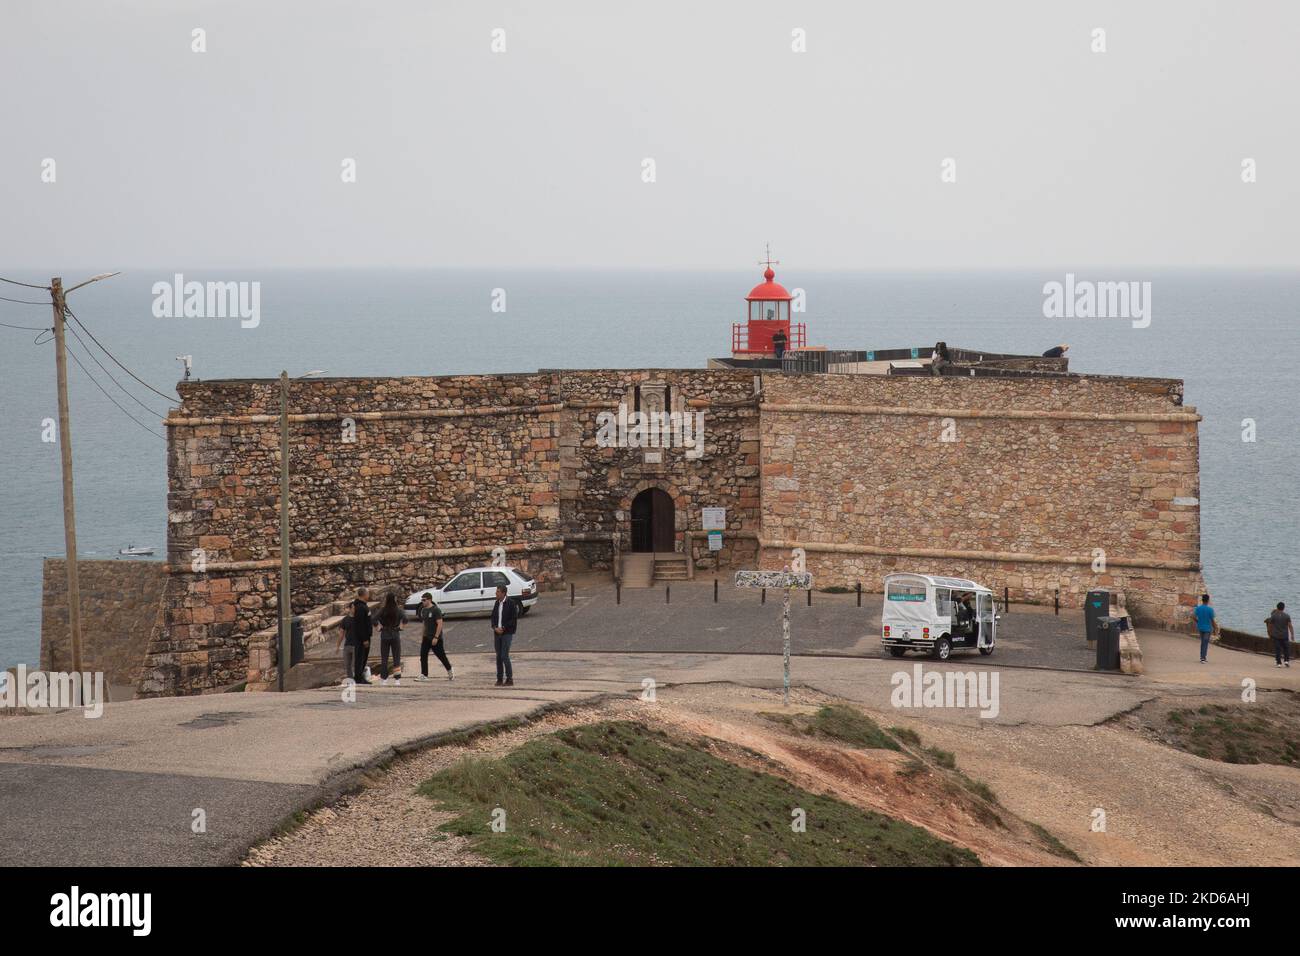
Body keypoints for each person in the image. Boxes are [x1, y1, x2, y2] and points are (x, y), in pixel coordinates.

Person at [416, 592, 453, 681]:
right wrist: (422, 636)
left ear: (429, 600)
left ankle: (449, 670)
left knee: (441, 656)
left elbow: (440, 624)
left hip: (435, 638)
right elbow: (424, 624)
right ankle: (424, 675)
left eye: (424, 600)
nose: (423, 602)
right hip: (426, 637)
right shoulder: (424, 610)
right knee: (423, 656)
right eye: (422, 600)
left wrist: (436, 637)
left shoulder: (436, 610)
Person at [490, 584, 518, 687]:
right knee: (498, 657)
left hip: (507, 633)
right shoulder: (497, 603)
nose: (496, 593)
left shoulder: (511, 603)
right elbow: (493, 617)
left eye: (497, 592)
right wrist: (494, 627)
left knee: (504, 655)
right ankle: (499, 678)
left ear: (503, 593)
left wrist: (504, 628)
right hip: (497, 633)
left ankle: (509, 679)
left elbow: (513, 619)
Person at [376, 592, 403, 685]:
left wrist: (378, 627)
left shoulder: (383, 610)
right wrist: (401, 626)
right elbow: (406, 619)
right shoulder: (398, 610)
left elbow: (373, 619)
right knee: (396, 657)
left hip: (385, 634)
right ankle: (397, 679)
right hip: (395, 634)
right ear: (394, 599)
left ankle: (384, 679)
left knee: (384, 658)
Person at [350, 587, 374, 683]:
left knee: (363, 657)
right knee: (360, 657)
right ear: (364, 595)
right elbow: (360, 624)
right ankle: (358, 678)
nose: (369, 595)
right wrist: (364, 639)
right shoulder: (360, 607)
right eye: (368, 593)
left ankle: (360, 676)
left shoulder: (363, 605)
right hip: (361, 638)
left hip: (365, 636)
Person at [1266, 601, 1293, 668]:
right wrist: (1292, 635)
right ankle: (1286, 661)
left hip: (1276, 635)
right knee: (1286, 648)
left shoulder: (1274, 616)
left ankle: (1279, 663)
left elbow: (1270, 625)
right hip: (1285, 635)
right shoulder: (1287, 616)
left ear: (1277, 607)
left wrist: (1269, 633)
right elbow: (1290, 626)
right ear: (1283, 608)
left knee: (1278, 649)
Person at [335, 602, 357, 684]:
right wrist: (337, 646)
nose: (355, 609)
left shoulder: (360, 619)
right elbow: (341, 634)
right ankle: (351, 681)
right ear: (350, 609)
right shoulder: (345, 620)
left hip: (357, 645)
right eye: (354, 608)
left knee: (356, 665)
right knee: (348, 666)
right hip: (347, 645)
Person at [1192, 593, 1217, 663]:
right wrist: (1215, 628)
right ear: (1208, 600)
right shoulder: (1210, 610)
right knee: (1205, 643)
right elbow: (1212, 621)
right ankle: (1203, 658)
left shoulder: (1198, 608)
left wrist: (1198, 621)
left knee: (1203, 642)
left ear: (1202, 600)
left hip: (1200, 627)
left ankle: (1202, 657)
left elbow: (1193, 616)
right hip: (1208, 628)